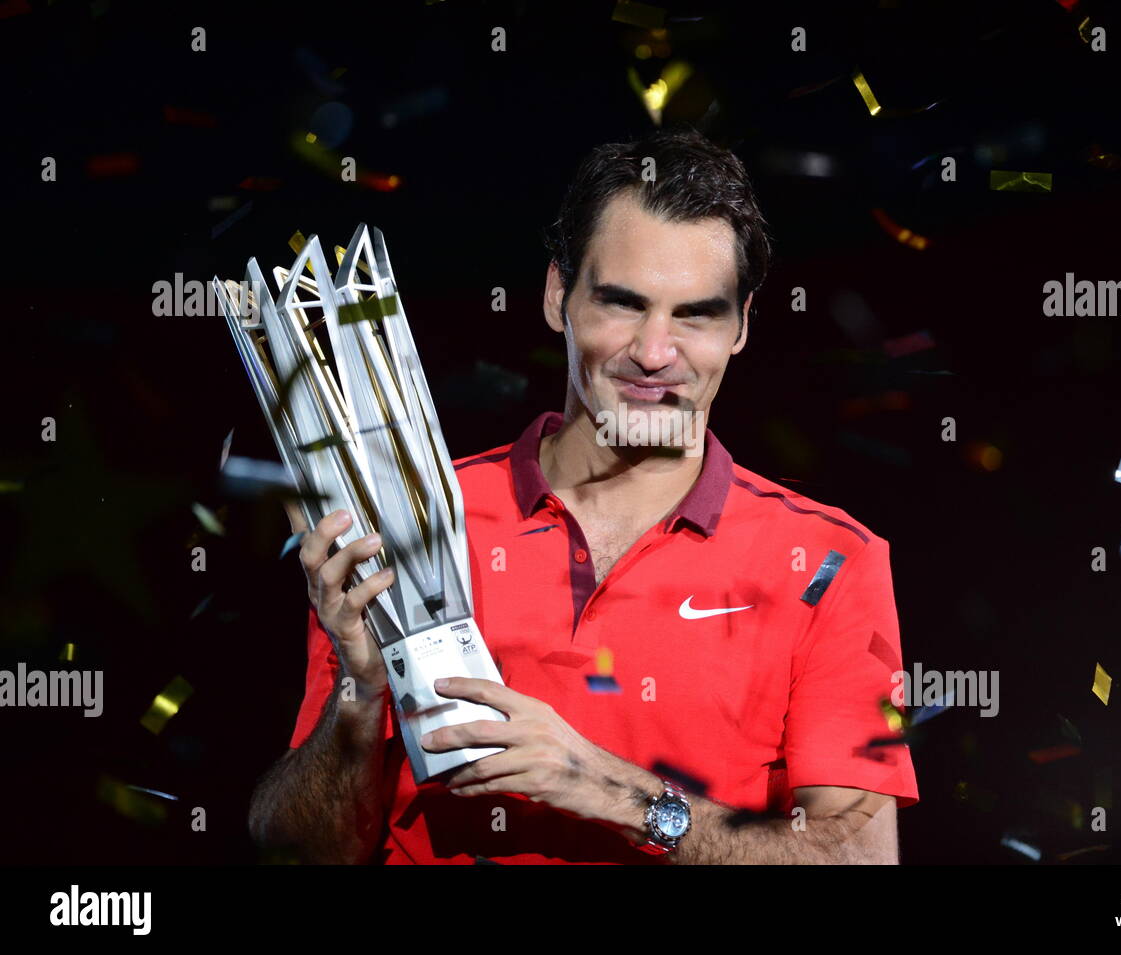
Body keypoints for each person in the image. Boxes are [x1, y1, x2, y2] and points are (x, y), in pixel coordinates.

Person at [248, 126, 919, 864]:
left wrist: (607, 788)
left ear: (742, 326)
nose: (656, 352)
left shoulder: (831, 562)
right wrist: (360, 692)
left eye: (696, 313)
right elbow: (295, 851)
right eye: (622, 304)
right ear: (557, 294)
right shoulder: (408, 516)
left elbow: (856, 858)